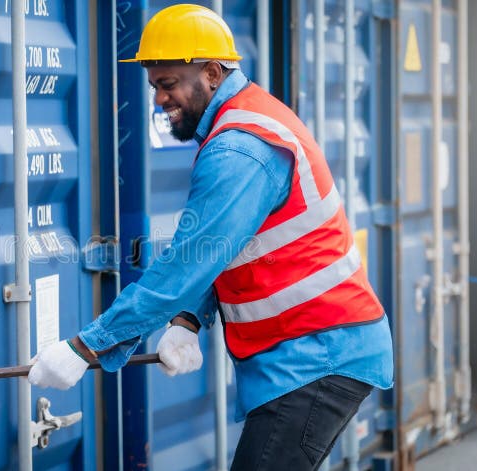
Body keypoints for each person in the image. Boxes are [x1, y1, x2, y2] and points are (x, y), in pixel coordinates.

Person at [28, 4, 394, 470]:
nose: (159, 100)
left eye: (169, 84)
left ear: (213, 74)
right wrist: (188, 320)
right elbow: (224, 250)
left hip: (317, 356)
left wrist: (85, 346)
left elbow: (184, 267)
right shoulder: (242, 122)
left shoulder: (239, 148)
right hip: (311, 352)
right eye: (154, 86)